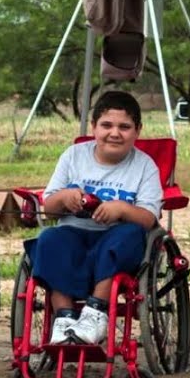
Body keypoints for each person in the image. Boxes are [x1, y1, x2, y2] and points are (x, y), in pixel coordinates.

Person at [33, 90, 162, 346]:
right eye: (106, 125)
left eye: (124, 127)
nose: (115, 133)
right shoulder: (74, 156)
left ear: (137, 131)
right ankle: (64, 317)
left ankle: (95, 312)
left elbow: (148, 218)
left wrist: (122, 210)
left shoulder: (145, 166)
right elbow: (49, 208)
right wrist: (66, 196)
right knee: (48, 239)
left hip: (117, 237)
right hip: (74, 234)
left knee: (128, 235)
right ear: (93, 127)